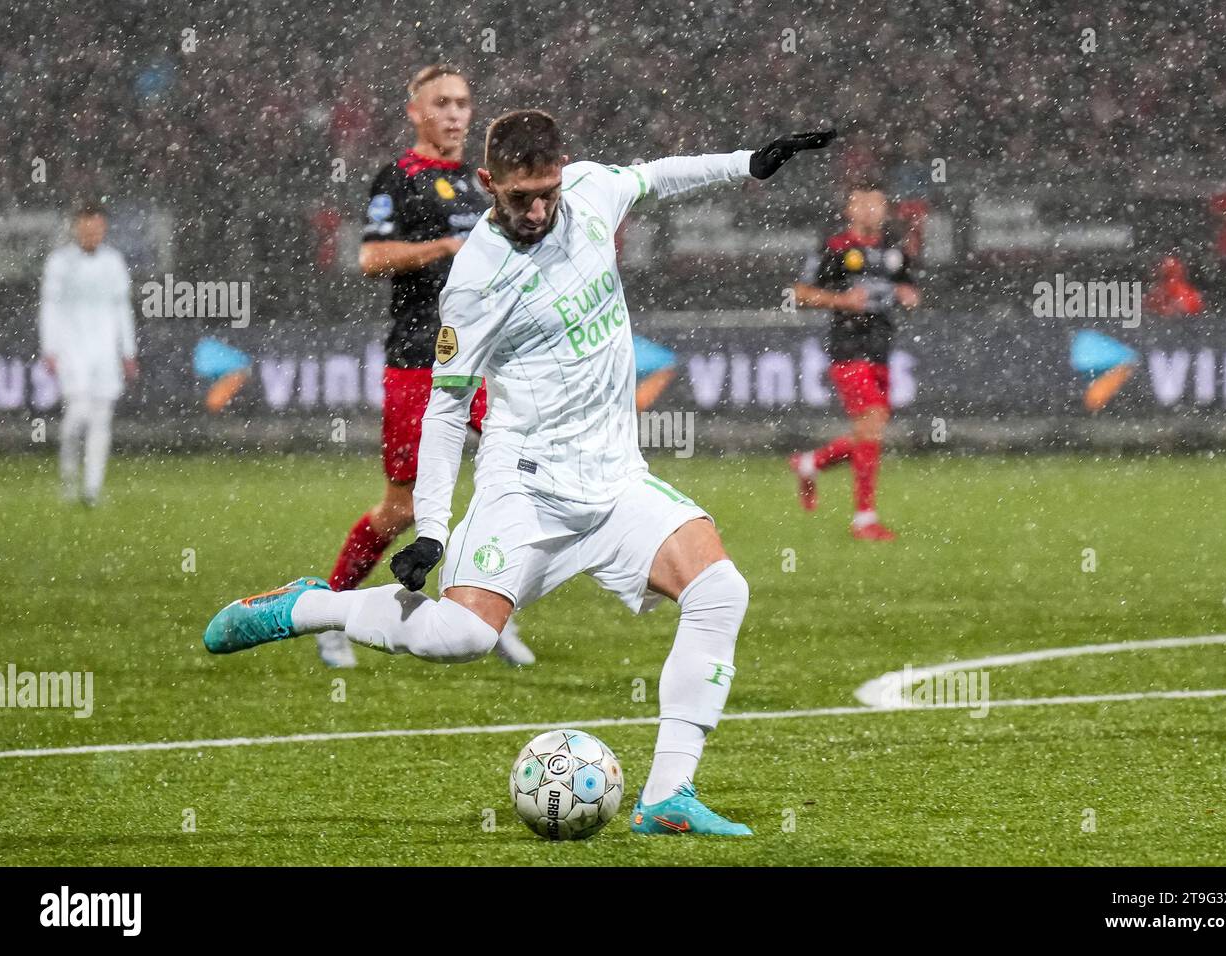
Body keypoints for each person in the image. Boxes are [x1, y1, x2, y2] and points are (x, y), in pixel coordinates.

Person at [203, 112, 836, 836]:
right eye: (518, 198)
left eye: (546, 193)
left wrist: (748, 161)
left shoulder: (590, 193)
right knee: (464, 637)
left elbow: (655, 177)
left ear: (562, 175)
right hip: (526, 488)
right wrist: (433, 531)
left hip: (614, 482)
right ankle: (310, 606)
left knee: (720, 589)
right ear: (486, 184)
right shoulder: (475, 282)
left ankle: (667, 798)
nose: (536, 211)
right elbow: (445, 412)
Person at [319, 64, 532, 668]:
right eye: (442, 103)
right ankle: (332, 609)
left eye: (463, 103)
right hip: (419, 359)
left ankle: (489, 610)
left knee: (520, 477)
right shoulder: (400, 178)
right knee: (403, 509)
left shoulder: (480, 181)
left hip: (488, 361)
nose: (456, 114)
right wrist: (442, 247)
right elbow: (370, 257)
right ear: (415, 111)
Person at [789, 183, 919, 540]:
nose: (868, 210)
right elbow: (799, 294)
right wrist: (841, 301)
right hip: (848, 346)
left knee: (870, 432)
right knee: (872, 425)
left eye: (875, 203)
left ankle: (810, 463)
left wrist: (909, 295)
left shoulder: (894, 251)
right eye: (859, 203)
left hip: (881, 347)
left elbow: (908, 288)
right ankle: (864, 519)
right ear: (848, 211)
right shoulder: (835, 249)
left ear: (885, 209)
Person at [38, 201, 137, 506]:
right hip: (72, 350)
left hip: (105, 351)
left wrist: (128, 351)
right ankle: (69, 480)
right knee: (78, 415)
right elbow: (49, 306)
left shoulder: (114, 262)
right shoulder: (59, 262)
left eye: (96, 227)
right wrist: (50, 348)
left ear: (104, 229)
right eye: (86, 227)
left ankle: (92, 489)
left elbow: (122, 308)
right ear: (76, 228)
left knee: (102, 419)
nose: (91, 233)